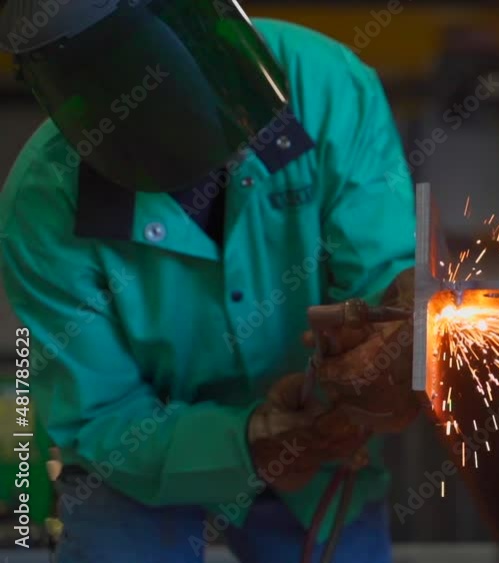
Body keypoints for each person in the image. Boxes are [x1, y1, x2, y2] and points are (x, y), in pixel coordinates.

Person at [0, 2, 418, 561]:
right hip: (138, 466)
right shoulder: (43, 207)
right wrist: (249, 442)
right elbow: (100, 416)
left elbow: (385, 283)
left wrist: (389, 356)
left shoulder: (322, 86)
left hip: (323, 444)